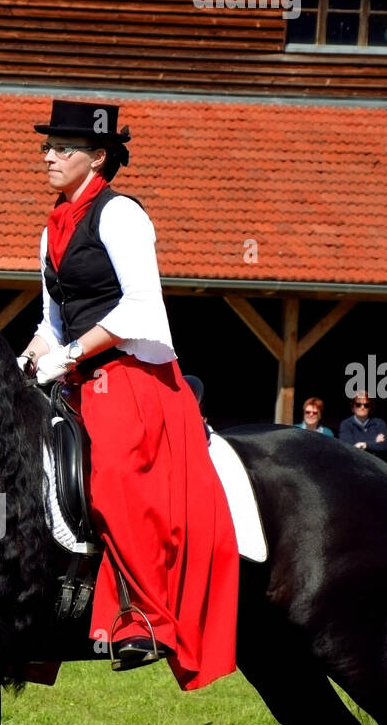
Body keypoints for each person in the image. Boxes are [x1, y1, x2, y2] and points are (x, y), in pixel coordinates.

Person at [18, 98, 238, 682]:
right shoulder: (53, 226)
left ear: (97, 157)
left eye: (61, 149)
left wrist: (66, 355)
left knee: (112, 482)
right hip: (76, 376)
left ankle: (145, 617)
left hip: (133, 378)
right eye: (47, 146)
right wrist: (25, 359)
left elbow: (139, 306)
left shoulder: (120, 216)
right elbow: (52, 323)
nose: (48, 156)